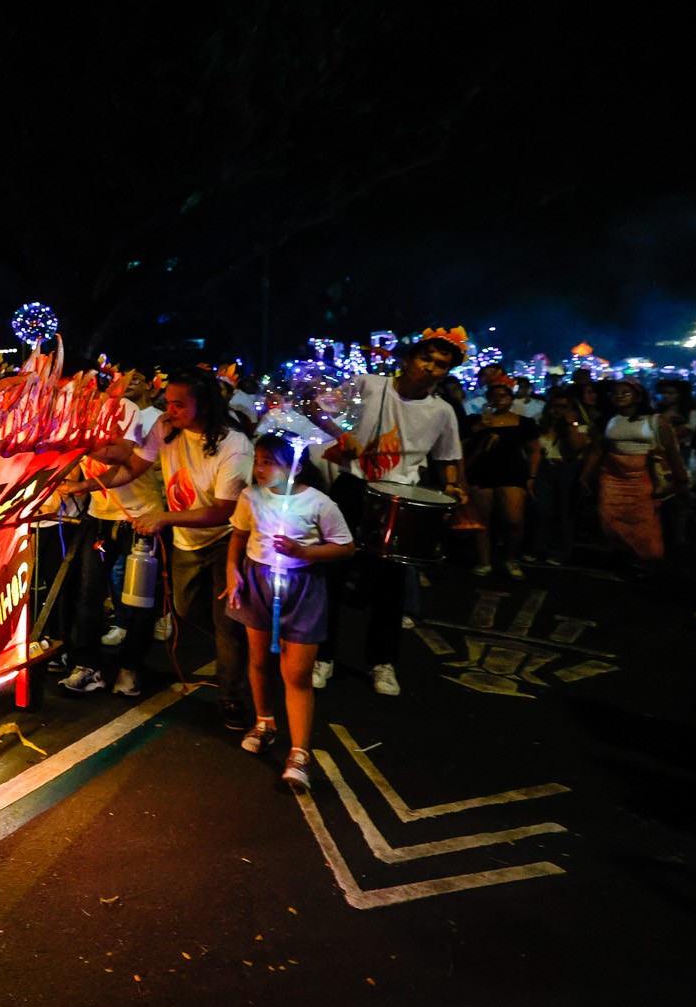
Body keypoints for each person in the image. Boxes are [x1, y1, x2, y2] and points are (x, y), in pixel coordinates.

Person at [79, 368, 255, 729]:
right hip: (187, 537)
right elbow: (132, 468)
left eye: (179, 404)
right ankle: (241, 645)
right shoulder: (166, 427)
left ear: (204, 404)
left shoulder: (234, 445)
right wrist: (86, 486)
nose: (169, 410)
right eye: (169, 402)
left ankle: (233, 697)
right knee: (186, 608)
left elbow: (223, 511)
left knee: (226, 622)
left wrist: (164, 517)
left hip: (227, 540)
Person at [318, 330, 467, 696]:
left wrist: (451, 484)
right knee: (330, 573)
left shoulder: (442, 411)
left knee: (390, 582)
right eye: (426, 358)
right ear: (408, 359)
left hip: (399, 496)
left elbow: (447, 457)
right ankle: (322, 655)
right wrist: (340, 433)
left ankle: (382, 662)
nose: (431, 367)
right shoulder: (368, 384)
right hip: (353, 485)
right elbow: (318, 406)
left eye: (441, 365)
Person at [223, 435, 356, 792]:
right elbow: (239, 535)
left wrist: (304, 551)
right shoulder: (251, 497)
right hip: (258, 581)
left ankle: (299, 754)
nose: (260, 469)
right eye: (258, 460)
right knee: (259, 660)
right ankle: (264, 722)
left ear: (295, 465)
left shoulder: (320, 503)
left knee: (296, 673)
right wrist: (232, 571)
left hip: (303, 587)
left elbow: (346, 548)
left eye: (269, 462)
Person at [55, 374, 165, 698]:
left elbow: (120, 456)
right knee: (89, 593)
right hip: (99, 517)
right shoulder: (71, 420)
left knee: (138, 598)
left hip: (139, 518)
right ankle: (87, 666)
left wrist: (78, 442)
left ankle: (130, 668)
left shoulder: (124, 409)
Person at [583, 379, 686, 571]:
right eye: (615, 393)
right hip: (612, 475)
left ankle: (646, 559)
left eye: (625, 392)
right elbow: (598, 449)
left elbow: (671, 450)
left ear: (639, 397)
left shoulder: (655, 420)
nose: (619, 396)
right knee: (608, 515)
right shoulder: (609, 420)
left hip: (644, 476)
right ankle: (625, 553)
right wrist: (585, 475)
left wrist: (680, 478)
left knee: (643, 519)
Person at [464, 381, 539, 578]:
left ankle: (510, 558)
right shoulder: (477, 420)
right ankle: (484, 561)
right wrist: (479, 427)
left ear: (511, 399)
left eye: (503, 396)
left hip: (512, 472)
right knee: (481, 520)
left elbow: (534, 450)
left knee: (514, 520)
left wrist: (532, 476)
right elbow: (463, 443)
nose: (498, 400)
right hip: (482, 471)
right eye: (493, 396)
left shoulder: (524, 423)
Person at [529, 390, 590, 564]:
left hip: (568, 468)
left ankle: (559, 551)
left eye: (563, 407)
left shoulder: (580, 426)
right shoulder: (541, 424)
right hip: (545, 467)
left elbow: (576, 446)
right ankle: (539, 547)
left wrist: (571, 424)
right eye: (554, 406)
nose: (557, 410)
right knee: (542, 510)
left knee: (563, 511)